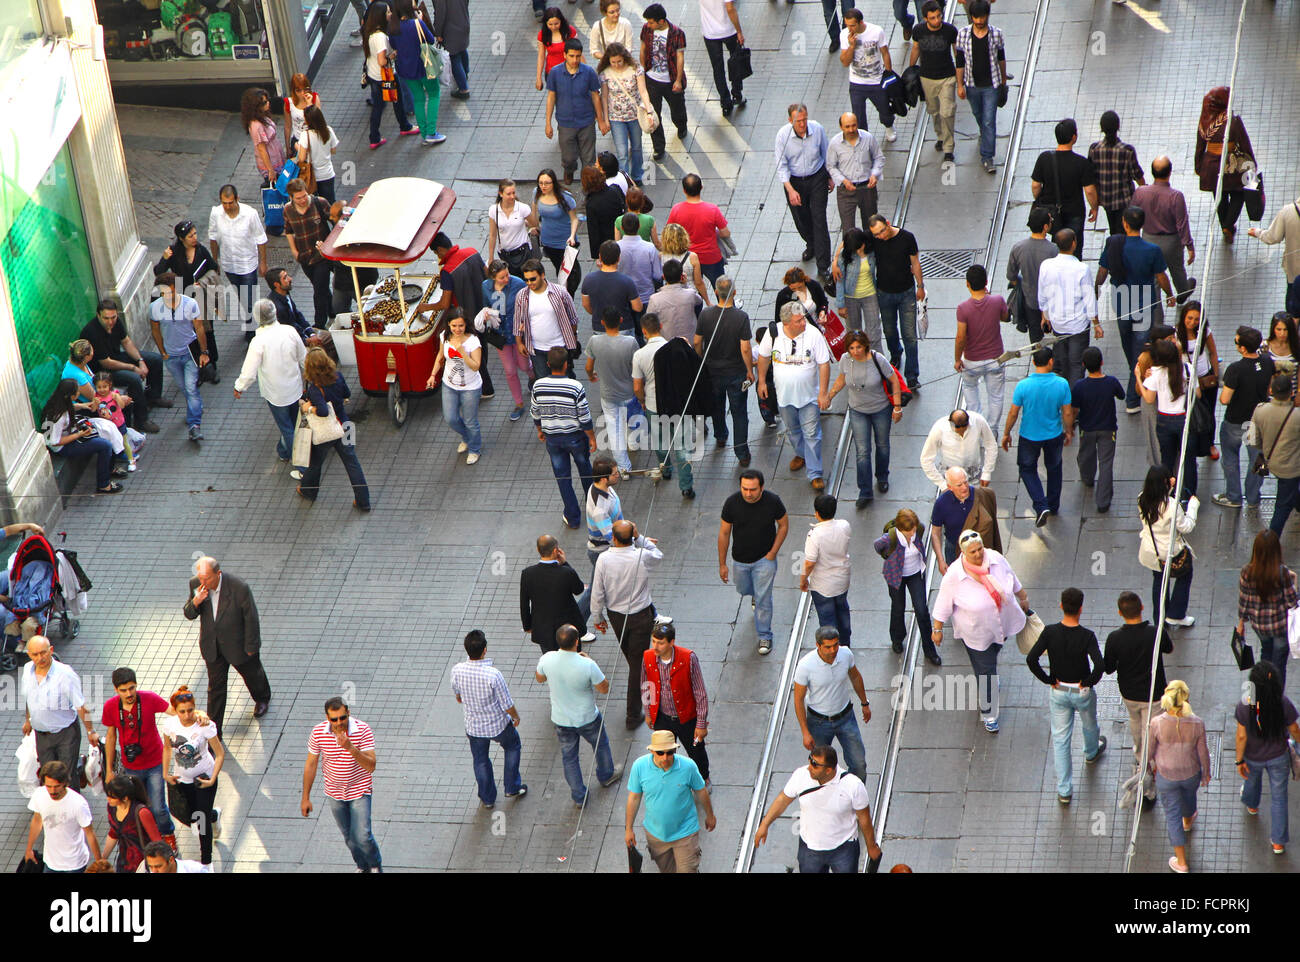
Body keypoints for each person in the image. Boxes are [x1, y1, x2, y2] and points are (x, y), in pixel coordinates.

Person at [931, 529, 1029, 733]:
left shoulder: (995, 558)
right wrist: (937, 629)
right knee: (986, 673)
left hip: (1002, 625)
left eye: (979, 549)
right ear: (963, 553)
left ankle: (990, 676)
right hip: (976, 633)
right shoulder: (954, 575)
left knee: (987, 663)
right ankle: (989, 713)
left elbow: (1012, 577)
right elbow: (942, 604)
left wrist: (1023, 596)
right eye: (973, 552)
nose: (978, 554)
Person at [1026, 587, 1107, 805]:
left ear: (1061, 606)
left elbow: (1032, 659)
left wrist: (1048, 680)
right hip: (1081, 691)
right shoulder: (1087, 636)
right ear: (1081, 609)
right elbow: (1100, 665)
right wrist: (1089, 682)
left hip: (1059, 690)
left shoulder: (1050, 632)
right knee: (1090, 724)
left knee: (1061, 740)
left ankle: (1064, 790)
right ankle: (1091, 752)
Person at [754, 744, 882, 873]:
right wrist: (764, 825)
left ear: (828, 770)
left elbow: (864, 819)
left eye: (815, 764)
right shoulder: (800, 775)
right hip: (810, 849)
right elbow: (782, 800)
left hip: (844, 848)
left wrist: (871, 846)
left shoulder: (853, 785)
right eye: (810, 759)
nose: (809, 767)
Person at [183, 556, 273, 737]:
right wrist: (196, 602)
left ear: (218, 574)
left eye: (207, 578)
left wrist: (252, 645)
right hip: (213, 647)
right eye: (201, 577)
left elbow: (251, 618)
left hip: (238, 646)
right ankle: (214, 732)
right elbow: (189, 613)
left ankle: (262, 697)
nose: (203, 582)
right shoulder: (196, 585)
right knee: (215, 689)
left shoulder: (239, 588)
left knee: (252, 674)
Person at [1097, 208, 1176, 410]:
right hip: (1144, 304)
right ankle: (1134, 393)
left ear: (1124, 223)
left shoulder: (1114, 245)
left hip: (1121, 301)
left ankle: (1133, 394)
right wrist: (1169, 294)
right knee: (1139, 348)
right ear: (1143, 224)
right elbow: (1161, 277)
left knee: (1128, 343)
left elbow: (1102, 272)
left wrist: (1094, 290)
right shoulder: (1152, 250)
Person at [591, 519, 668, 727]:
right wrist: (640, 537)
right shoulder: (641, 556)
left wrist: (597, 617)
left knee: (634, 660)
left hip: (617, 616)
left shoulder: (604, 560)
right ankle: (634, 714)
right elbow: (658, 555)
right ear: (631, 537)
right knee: (637, 664)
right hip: (641, 616)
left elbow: (597, 592)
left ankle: (635, 710)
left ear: (613, 539)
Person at [536, 624, 620, 805]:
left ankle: (579, 796)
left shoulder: (547, 658)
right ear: (577, 641)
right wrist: (591, 661)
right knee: (600, 745)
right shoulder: (587, 664)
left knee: (569, 758)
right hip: (587, 717)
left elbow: (540, 677)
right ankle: (606, 775)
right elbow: (604, 688)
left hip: (561, 719)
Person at [1103, 592, 1171, 811]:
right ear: (1142, 608)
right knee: (1151, 732)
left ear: (1119, 613)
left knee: (1136, 725)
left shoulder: (1114, 638)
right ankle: (1147, 777)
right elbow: (1169, 648)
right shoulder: (1154, 632)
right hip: (1153, 693)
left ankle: (1140, 755)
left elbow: (1109, 667)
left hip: (1129, 693)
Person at [756, 302, 832, 491]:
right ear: (787, 323)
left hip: (809, 398)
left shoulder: (813, 334)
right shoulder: (773, 333)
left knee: (812, 434)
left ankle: (815, 473)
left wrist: (823, 393)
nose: (804, 323)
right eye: (799, 321)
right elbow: (764, 357)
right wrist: (762, 381)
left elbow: (824, 364)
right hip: (784, 397)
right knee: (793, 430)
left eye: (804, 318)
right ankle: (801, 453)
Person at [301, 696, 382, 870]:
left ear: (348, 713)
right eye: (334, 719)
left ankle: (375, 865)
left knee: (363, 836)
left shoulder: (362, 730)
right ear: (327, 718)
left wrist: (351, 748)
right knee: (349, 837)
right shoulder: (318, 733)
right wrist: (305, 797)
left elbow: (371, 765)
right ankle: (363, 866)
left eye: (342, 717)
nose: (339, 723)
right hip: (334, 793)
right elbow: (311, 764)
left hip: (360, 791)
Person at [101, 668, 177, 849]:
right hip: (131, 767)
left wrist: (198, 714)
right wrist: (109, 770)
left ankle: (168, 835)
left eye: (132, 688)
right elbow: (111, 737)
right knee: (140, 807)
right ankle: (151, 838)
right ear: (115, 689)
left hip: (155, 763)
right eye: (124, 690)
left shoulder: (149, 698)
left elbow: (174, 711)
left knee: (158, 807)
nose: (129, 694)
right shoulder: (111, 707)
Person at [450, 631, 525, 808]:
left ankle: (487, 798)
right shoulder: (493, 675)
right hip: (498, 725)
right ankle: (512, 787)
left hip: (474, 727)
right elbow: (506, 703)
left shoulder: (457, 670)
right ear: (485, 650)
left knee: (481, 760)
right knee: (513, 746)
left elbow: (458, 696)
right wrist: (515, 716)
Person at [718, 470, 789, 655]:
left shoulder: (773, 501)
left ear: (762, 487)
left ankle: (765, 635)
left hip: (764, 561)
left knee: (764, 600)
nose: (748, 494)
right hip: (740, 560)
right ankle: (754, 595)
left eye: (753, 490)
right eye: (744, 489)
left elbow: (783, 525)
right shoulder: (732, 503)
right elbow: (724, 533)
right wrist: (722, 564)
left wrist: (773, 553)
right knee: (743, 589)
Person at [625, 729, 715, 873]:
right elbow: (634, 798)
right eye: (661, 753)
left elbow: (701, 791)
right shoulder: (639, 767)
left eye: (670, 752)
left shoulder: (688, 766)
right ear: (652, 751)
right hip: (657, 836)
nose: (665, 757)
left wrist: (710, 816)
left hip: (686, 833)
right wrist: (628, 829)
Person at [828, 331, 900, 507]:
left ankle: (882, 476)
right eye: (852, 348)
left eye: (858, 347)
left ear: (865, 345)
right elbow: (841, 378)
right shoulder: (845, 359)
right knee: (862, 452)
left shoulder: (877, 359)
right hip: (857, 410)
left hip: (880, 408)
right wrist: (829, 395)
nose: (855, 351)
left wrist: (897, 407)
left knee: (882, 445)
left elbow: (894, 379)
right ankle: (865, 491)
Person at [1002, 347, 1073, 527]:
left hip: (1029, 435)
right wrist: (1069, 430)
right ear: (1051, 362)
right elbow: (1067, 412)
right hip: (1054, 434)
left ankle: (1041, 505)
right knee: (1054, 468)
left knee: (1027, 469)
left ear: (1033, 362)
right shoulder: (1062, 384)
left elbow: (1013, 413)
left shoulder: (1023, 386)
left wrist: (1006, 433)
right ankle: (1053, 505)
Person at [234, 298, 307, 472]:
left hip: (276, 394)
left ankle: (301, 467)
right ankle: (283, 451)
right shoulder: (289, 331)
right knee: (293, 424)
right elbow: (302, 356)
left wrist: (240, 387)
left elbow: (249, 370)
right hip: (295, 388)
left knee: (287, 428)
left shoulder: (258, 341)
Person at [1235, 662, 1300, 855]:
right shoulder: (1282, 702)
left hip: (1252, 756)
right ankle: (1278, 842)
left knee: (1252, 781)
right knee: (1279, 797)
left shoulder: (1246, 704)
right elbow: (1294, 729)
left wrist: (1239, 760)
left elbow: (1241, 736)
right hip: (1278, 756)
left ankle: (1252, 805)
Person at [424, 233, 496, 400]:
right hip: (483, 311)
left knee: (473, 353)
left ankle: (486, 389)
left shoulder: (447, 271)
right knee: (482, 346)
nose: (437, 256)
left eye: (436, 253)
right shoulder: (472, 252)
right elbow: (487, 276)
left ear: (441, 249)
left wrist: (425, 307)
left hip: (467, 318)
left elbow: (444, 303)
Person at [532, 345, 597, 529]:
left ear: (547, 364)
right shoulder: (575, 386)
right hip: (575, 437)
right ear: (566, 364)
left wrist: (539, 430)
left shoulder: (538, 385)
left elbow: (535, 412)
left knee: (563, 478)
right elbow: (584, 416)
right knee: (585, 470)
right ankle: (594, 510)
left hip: (553, 438)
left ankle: (573, 517)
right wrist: (591, 437)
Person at [1148, 680, 1210, 873]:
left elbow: (1149, 751)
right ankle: (1189, 818)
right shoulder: (1197, 723)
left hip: (1166, 776)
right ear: (1187, 699)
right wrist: (1206, 773)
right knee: (1189, 797)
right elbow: (1203, 752)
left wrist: (1145, 770)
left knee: (1171, 817)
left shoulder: (1157, 723)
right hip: (1191, 773)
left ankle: (1181, 862)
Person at [297, 348, 371, 509]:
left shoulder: (315, 389)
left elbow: (323, 411)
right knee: (352, 464)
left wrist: (308, 408)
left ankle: (308, 491)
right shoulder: (338, 377)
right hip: (344, 425)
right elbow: (347, 393)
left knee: (315, 462)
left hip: (326, 432)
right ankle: (363, 501)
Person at [80, 298, 167, 435]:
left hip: (117, 357)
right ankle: (141, 420)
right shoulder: (91, 332)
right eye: (106, 318)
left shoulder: (116, 323)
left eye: (113, 317)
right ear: (98, 316)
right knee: (134, 379)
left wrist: (140, 361)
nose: (110, 322)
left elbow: (126, 342)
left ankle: (154, 396)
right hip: (103, 370)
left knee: (155, 360)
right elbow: (106, 362)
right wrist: (133, 368)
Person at [793, 627, 869, 781]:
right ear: (818, 645)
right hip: (819, 722)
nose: (833, 650)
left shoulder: (845, 654)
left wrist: (864, 703)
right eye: (828, 647)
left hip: (846, 716)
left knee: (859, 764)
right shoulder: (805, 665)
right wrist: (805, 732)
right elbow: (798, 700)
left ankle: (855, 799)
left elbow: (855, 677)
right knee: (821, 768)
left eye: (835, 645)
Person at [632, 313, 695, 496]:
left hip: (653, 404)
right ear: (660, 326)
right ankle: (686, 486)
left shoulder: (639, 355)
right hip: (677, 403)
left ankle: (666, 469)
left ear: (644, 331)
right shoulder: (675, 348)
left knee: (660, 442)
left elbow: (637, 386)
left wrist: (642, 401)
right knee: (682, 446)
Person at [161, 686, 224, 866]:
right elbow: (167, 748)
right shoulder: (169, 725)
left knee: (201, 820)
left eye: (190, 710)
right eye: (182, 711)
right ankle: (213, 816)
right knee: (189, 816)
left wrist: (212, 779)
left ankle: (206, 862)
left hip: (204, 777)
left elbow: (219, 754)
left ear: (195, 707)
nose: (187, 715)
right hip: (182, 779)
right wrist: (166, 773)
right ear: (175, 711)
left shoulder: (205, 726)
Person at [693, 276, 753, 465]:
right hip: (736, 372)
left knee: (717, 406)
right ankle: (742, 453)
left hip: (712, 371)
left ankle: (720, 435)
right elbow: (745, 348)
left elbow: (697, 341)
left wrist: (700, 361)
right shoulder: (741, 317)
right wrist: (750, 371)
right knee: (739, 412)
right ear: (734, 293)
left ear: (716, 292)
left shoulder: (705, 314)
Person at [641, 622, 710, 782]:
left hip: (687, 718)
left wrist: (700, 724)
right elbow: (646, 686)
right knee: (664, 752)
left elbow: (700, 693)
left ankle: (703, 779)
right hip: (662, 717)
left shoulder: (688, 658)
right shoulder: (648, 657)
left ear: (671, 642)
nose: (656, 647)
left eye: (660, 643)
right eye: (653, 641)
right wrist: (648, 713)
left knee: (696, 752)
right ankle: (670, 780)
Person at [1214, 326, 1273, 508]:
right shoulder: (1267, 361)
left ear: (1242, 348)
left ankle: (1234, 496)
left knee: (1230, 459)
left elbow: (1224, 399)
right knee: (1260, 461)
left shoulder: (1235, 369)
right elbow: (1270, 389)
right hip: (1259, 422)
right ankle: (1254, 497)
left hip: (1235, 422)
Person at [21, 635, 98, 772]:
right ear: (29, 655)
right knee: (49, 774)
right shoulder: (27, 670)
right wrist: (28, 720)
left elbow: (80, 706)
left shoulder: (65, 674)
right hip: (41, 735)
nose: (40, 658)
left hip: (66, 733)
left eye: (43, 652)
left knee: (66, 775)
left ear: (51, 650)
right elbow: (29, 698)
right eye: (35, 654)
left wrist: (90, 731)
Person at [776, 104, 834, 286]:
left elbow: (826, 153)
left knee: (819, 219)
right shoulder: (782, 136)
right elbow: (781, 165)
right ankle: (811, 243)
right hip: (794, 181)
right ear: (790, 120)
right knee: (801, 219)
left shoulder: (817, 129)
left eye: (804, 120)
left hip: (816, 177)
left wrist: (829, 176)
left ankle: (823, 265)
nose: (802, 124)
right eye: (798, 121)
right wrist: (790, 189)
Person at [874, 509, 940, 663]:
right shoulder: (889, 538)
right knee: (898, 608)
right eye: (909, 531)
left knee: (922, 611)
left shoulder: (920, 529)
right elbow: (877, 546)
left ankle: (930, 651)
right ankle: (897, 639)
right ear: (900, 529)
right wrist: (887, 556)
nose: (913, 533)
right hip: (896, 576)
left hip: (915, 574)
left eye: (914, 530)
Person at [149, 272, 208, 442]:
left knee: (190, 388)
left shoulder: (190, 304)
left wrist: (204, 352)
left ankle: (194, 425)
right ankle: (196, 407)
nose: (168, 296)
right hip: (172, 357)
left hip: (190, 353)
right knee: (185, 389)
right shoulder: (154, 308)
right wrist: (163, 352)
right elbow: (155, 330)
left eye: (172, 292)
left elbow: (199, 328)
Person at [868, 214, 925, 391]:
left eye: (882, 232)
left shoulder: (907, 238)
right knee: (890, 330)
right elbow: (850, 241)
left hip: (906, 292)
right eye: (876, 235)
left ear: (888, 224)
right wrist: (836, 262)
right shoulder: (873, 238)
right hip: (884, 293)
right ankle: (896, 353)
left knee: (910, 336)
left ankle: (912, 376)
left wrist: (920, 286)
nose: (880, 237)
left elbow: (915, 262)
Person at [1236, 530, 1299, 692]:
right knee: (1279, 663)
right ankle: (1276, 696)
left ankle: (1262, 689)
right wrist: (1295, 580)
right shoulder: (1282, 573)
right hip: (1280, 627)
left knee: (1266, 652)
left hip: (1260, 626)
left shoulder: (1247, 572)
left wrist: (1241, 623)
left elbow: (1244, 600)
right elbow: (1292, 602)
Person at [1136, 465, 1198, 628]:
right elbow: (1186, 527)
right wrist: (1192, 508)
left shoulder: (1142, 499)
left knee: (1159, 581)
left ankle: (1160, 618)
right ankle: (1176, 614)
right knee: (1185, 575)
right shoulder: (1172, 505)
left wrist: (1168, 488)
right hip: (1171, 551)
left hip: (1152, 551)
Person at [1194, 86, 1258, 242]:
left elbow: (1200, 146)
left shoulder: (1204, 121)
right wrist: (1253, 164)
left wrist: (1199, 166)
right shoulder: (1233, 121)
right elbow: (1244, 143)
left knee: (1219, 195)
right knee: (1238, 193)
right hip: (1232, 164)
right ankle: (1228, 225)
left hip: (1210, 164)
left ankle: (1225, 224)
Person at [1038, 229, 1100, 386]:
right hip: (1078, 325)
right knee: (1077, 364)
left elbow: (1042, 295)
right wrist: (1096, 324)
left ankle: (1064, 399)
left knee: (1062, 362)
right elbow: (1089, 298)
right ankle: (1074, 404)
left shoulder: (1046, 265)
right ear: (1074, 243)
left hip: (1057, 323)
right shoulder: (1082, 269)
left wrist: (1045, 316)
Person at [1031, 119, 1100, 258]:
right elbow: (1090, 190)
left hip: (1051, 212)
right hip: (1074, 212)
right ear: (1074, 137)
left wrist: (1039, 200)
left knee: (1056, 244)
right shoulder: (1081, 163)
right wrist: (1094, 207)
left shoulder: (1044, 158)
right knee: (1074, 245)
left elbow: (1035, 185)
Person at [1132, 156, 1196, 305]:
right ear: (1170, 172)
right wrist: (1189, 246)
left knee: (1154, 275)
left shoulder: (1140, 192)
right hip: (1171, 241)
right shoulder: (1176, 196)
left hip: (1148, 239)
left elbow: (1133, 215)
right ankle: (1183, 291)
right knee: (1177, 269)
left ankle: (1157, 309)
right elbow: (1182, 224)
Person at [1138, 339, 1198, 496]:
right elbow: (1198, 393)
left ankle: (1169, 493)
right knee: (1189, 459)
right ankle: (1190, 494)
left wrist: (1139, 377)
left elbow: (1149, 399)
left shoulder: (1155, 373)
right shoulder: (1187, 368)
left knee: (1167, 460)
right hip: (1184, 420)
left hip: (1164, 421)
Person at [39, 379, 121, 494]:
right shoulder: (58, 416)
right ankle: (104, 484)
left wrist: (84, 406)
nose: (79, 393)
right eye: (76, 392)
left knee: (106, 431)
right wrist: (79, 434)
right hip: (63, 447)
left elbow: (71, 407)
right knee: (105, 445)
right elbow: (55, 442)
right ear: (70, 395)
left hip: (70, 433)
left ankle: (109, 469)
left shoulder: (58, 402)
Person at [954, 0, 1006, 173]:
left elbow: (1001, 57)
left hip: (992, 84)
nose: (978, 21)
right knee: (979, 115)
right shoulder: (962, 34)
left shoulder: (996, 34)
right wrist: (959, 85)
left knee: (989, 120)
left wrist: (1003, 80)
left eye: (981, 17)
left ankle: (987, 156)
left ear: (987, 16)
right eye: (975, 17)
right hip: (971, 84)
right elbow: (960, 62)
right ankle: (984, 132)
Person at [585, 309, 641, 471]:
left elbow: (589, 366)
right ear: (621, 320)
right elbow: (635, 367)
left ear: (602, 322)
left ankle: (624, 467)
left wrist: (591, 376)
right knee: (631, 419)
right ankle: (633, 443)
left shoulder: (594, 341)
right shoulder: (630, 342)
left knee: (614, 429)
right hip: (629, 392)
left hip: (608, 394)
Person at [546, 40, 608, 186]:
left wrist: (600, 120)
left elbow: (595, 97)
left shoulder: (589, 72)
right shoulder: (555, 73)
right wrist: (548, 123)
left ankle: (588, 184)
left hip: (586, 122)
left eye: (578, 56)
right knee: (568, 156)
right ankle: (569, 170)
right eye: (572, 56)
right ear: (564, 55)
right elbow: (551, 97)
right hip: (565, 123)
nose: (575, 60)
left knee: (589, 158)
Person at [955, 263, 1008, 430]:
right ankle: (992, 430)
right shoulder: (997, 300)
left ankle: (977, 428)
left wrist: (957, 359)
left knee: (970, 389)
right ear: (986, 282)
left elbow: (961, 337)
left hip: (971, 361)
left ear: (967, 284)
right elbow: (1005, 317)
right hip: (995, 359)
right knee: (996, 397)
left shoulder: (963, 308)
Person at [1071, 347, 1124, 512]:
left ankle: (1087, 478)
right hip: (1108, 429)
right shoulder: (1111, 382)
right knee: (1106, 463)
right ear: (1102, 362)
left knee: (1085, 455)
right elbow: (1121, 395)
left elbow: (1074, 409)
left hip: (1086, 429)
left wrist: (1070, 426)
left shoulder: (1080, 386)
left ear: (1083, 364)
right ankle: (1103, 502)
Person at [207, 185, 268, 330]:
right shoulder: (216, 213)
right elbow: (213, 238)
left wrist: (263, 262)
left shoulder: (250, 214)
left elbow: (261, 238)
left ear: (237, 199)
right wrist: (215, 262)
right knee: (241, 294)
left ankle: (250, 327)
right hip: (229, 264)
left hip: (247, 263)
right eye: (224, 203)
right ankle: (251, 318)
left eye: (230, 202)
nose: (227, 207)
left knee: (248, 297)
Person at [429, 309, 483, 465]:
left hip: (470, 387)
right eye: (454, 325)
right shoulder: (444, 336)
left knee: (470, 421)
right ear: (448, 325)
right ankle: (467, 437)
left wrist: (462, 352)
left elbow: (476, 366)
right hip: (449, 384)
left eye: (461, 325)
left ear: (466, 325)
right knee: (450, 418)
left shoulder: (473, 341)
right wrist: (433, 375)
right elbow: (440, 356)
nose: (457, 329)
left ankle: (474, 448)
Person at [24, 761, 99, 873]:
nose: (52, 791)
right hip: (50, 862)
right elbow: (37, 821)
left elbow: (90, 833)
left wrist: (99, 862)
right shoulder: (39, 795)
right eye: (48, 786)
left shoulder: (78, 803)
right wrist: (29, 849)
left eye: (56, 786)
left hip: (75, 864)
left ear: (65, 783)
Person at [520, 535, 590, 652]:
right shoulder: (566, 572)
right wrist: (564, 563)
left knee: (550, 659)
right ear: (555, 551)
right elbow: (578, 589)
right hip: (568, 627)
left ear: (538, 550)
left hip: (543, 628)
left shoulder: (527, 573)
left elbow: (524, 602)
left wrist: (527, 625)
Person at [908, 0, 958, 165]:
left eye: (939, 16)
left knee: (947, 112)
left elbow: (957, 52)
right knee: (934, 111)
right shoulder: (918, 31)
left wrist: (961, 74)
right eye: (933, 18)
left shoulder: (950, 30)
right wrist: (910, 70)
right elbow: (915, 48)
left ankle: (949, 148)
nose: (937, 20)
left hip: (947, 77)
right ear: (925, 19)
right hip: (927, 77)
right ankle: (941, 136)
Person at [517, 260, 583, 382]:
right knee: (543, 382)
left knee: (565, 380)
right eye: (526, 280)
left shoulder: (560, 292)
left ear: (542, 275)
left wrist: (573, 338)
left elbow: (573, 318)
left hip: (560, 347)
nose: (529, 283)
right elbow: (517, 321)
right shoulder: (522, 295)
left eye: (533, 279)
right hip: (537, 350)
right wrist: (519, 343)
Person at [801, 495, 853, 647]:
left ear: (816, 513)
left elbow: (809, 562)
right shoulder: (844, 525)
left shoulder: (814, 535)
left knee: (827, 618)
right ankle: (845, 643)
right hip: (842, 579)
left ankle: (831, 647)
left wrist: (803, 579)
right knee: (843, 610)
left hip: (822, 584)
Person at [639, 4, 688, 160]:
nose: (649, 25)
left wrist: (678, 80)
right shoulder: (647, 29)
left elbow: (680, 58)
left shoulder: (677, 33)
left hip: (671, 80)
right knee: (653, 113)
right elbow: (643, 48)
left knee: (677, 108)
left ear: (661, 21)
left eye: (652, 22)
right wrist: (643, 70)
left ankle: (681, 125)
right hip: (651, 80)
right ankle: (658, 147)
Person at [363, 1, 415, 149]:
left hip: (373, 76)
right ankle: (404, 126)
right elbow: (381, 60)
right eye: (387, 12)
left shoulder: (370, 32)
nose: (390, 14)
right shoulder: (380, 37)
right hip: (384, 77)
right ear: (380, 16)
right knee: (396, 99)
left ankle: (374, 137)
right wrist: (392, 56)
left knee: (378, 106)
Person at [482, 260, 530, 419]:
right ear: (493, 277)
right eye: (502, 277)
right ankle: (519, 404)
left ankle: (534, 377)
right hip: (500, 335)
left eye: (507, 274)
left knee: (523, 365)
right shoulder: (485, 287)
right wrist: (487, 315)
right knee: (509, 371)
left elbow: (528, 304)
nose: (507, 279)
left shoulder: (518, 284)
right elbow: (485, 306)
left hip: (517, 332)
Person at [598, 44, 652, 185]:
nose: (616, 65)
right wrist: (605, 118)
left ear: (625, 58)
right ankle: (625, 179)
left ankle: (637, 175)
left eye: (619, 61)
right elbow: (604, 96)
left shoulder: (636, 70)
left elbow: (643, 91)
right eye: (613, 62)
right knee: (622, 152)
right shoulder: (605, 73)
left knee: (636, 147)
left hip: (635, 115)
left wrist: (649, 111)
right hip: (616, 117)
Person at [1175, 301, 1220, 464]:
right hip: (1186, 380)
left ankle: (1210, 444)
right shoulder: (1175, 334)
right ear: (1183, 316)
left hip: (1205, 377)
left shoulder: (1204, 331)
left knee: (1209, 411)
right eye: (1189, 318)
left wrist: (1215, 374)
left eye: (1196, 319)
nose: (1192, 322)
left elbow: (1213, 353)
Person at [1087, 111, 1146, 236]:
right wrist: (1144, 190)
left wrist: (1094, 204)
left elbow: (1091, 177)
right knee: (1125, 232)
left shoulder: (1094, 149)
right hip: (1124, 201)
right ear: (1118, 127)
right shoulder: (1127, 150)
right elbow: (1138, 175)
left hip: (1105, 201)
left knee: (1113, 231)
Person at [839, 10, 894, 142]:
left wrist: (889, 73)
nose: (849, 29)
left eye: (852, 25)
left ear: (860, 22)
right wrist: (851, 46)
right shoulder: (845, 35)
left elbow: (885, 53)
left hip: (876, 80)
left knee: (885, 109)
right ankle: (864, 138)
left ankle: (889, 126)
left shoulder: (876, 31)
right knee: (858, 115)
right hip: (857, 82)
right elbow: (845, 62)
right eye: (847, 25)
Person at [667, 173, 730, 287]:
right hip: (711, 257)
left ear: (684, 191)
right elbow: (725, 233)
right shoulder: (712, 209)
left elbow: (669, 233)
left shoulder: (676, 210)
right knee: (721, 288)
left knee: (693, 290)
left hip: (688, 258)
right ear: (701, 188)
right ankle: (727, 304)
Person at [1006, 208, 1056, 346]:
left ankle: (1040, 362)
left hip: (1030, 300)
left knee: (1035, 337)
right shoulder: (1053, 250)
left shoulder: (1018, 248)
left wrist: (1019, 283)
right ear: (1045, 227)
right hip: (1051, 301)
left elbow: (1011, 275)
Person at [827, 114, 882, 238]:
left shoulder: (868, 138)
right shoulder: (835, 143)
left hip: (867, 187)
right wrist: (843, 181)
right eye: (847, 127)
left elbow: (878, 158)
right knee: (848, 230)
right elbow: (831, 166)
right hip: (846, 190)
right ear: (841, 127)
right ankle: (849, 255)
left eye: (853, 125)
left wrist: (874, 174)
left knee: (871, 227)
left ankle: (870, 252)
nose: (851, 130)